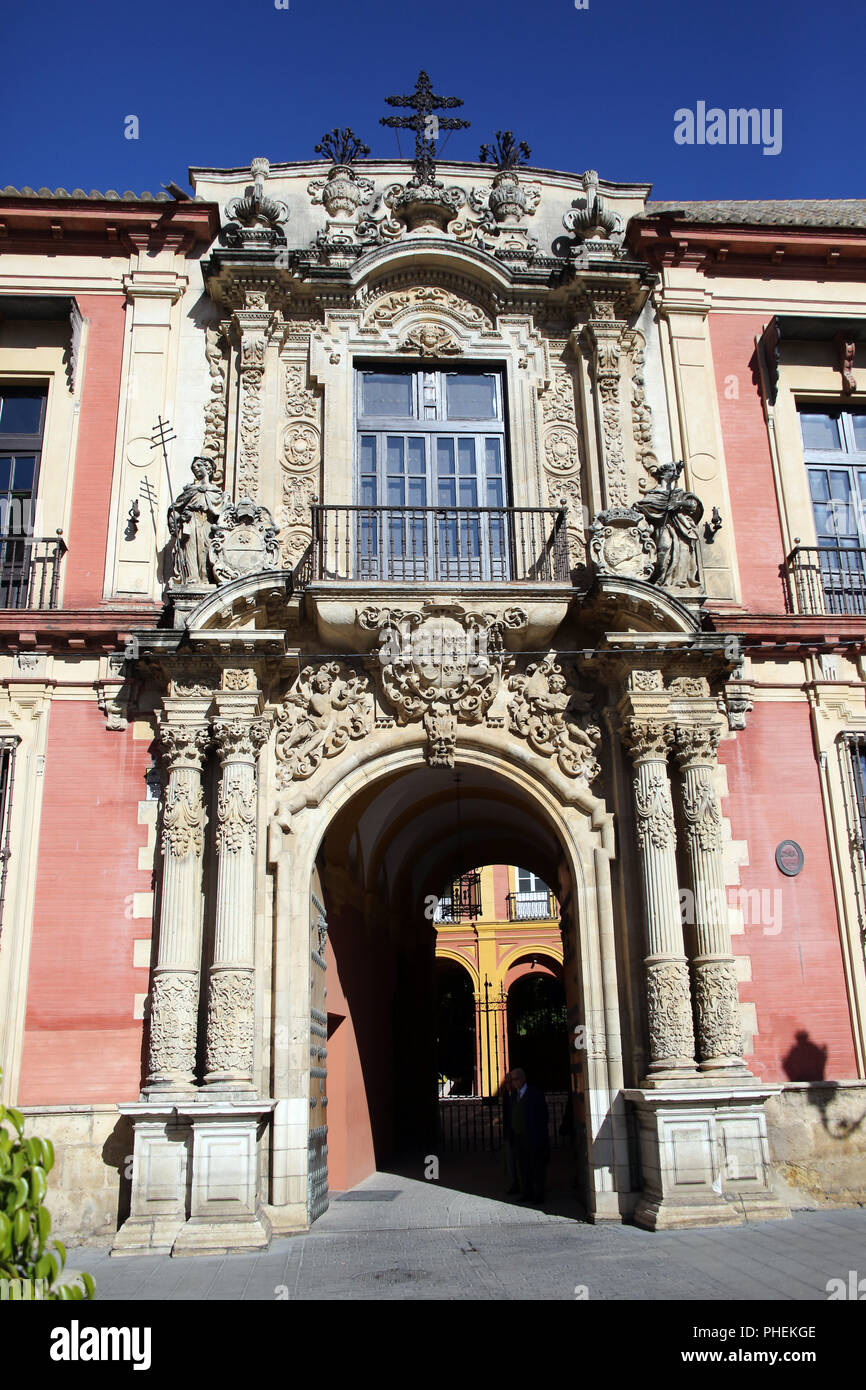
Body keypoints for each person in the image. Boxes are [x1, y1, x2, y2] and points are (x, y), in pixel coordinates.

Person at [167, 456, 226, 586]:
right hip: (191, 521)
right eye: (194, 468)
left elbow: (221, 512)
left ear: (208, 468)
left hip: (208, 524)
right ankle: (192, 577)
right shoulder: (190, 490)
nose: (196, 469)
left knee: (206, 549)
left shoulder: (215, 492)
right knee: (190, 549)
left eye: (199, 466)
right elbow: (175, 508)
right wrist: (177, 520)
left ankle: (206, 578)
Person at [508, 1067, 549, 1204]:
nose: (514, 1082)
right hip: (519, 1137)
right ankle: (527, 1192)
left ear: (523, 1078)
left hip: (534, 1137)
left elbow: (543, 1117)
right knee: (523, 1166)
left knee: (536, 1166)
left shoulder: (535, 1094)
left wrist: (541, 1137)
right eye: (512, 1080)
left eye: (516, 1079)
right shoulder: (514, 1095)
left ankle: (539, 1194)